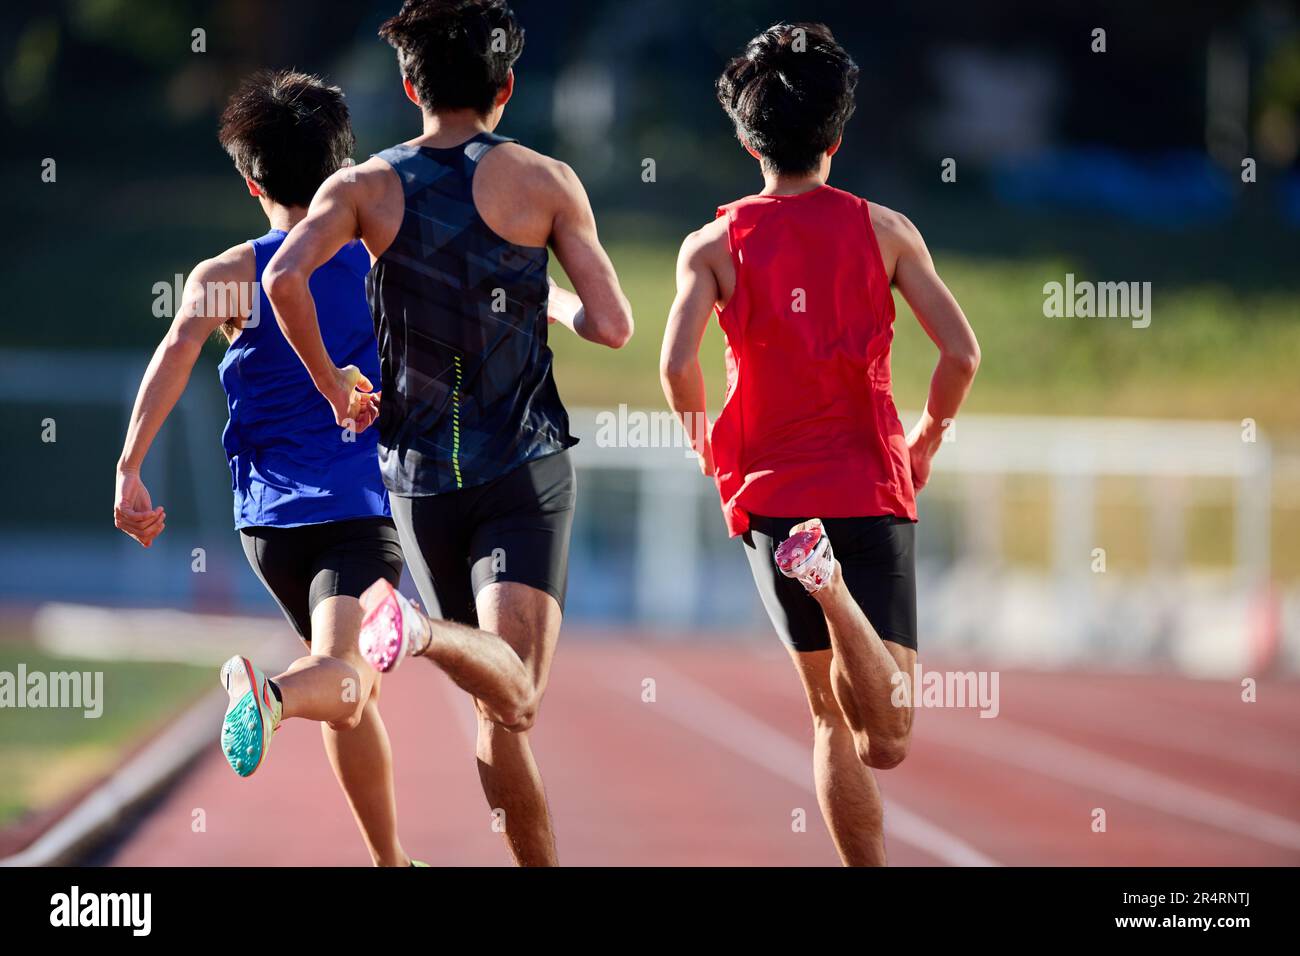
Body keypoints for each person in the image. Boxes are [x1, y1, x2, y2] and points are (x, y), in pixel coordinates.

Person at [263, 0, 633, 867]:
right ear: (506, 88)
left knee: (496, 707)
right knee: (520, 696)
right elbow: (614, 327)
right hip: (522, 468)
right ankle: (421, 632)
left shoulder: (360, 188)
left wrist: (331, 384)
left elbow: (283, 275)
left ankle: (425, 633)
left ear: (408, 86)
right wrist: (551, 297)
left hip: (421, 477)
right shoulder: (546, 181)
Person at [659, 22, 980, 866]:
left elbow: (674, 363)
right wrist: (928, 440)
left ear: (744, 137)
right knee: (891, 736)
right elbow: (962, 353)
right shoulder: (887, 231)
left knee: (831, 719)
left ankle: (825, 585)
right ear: (836, 137)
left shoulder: (712, 244)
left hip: (772, 497)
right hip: (871, 484)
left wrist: (705, 445)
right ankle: (836, 591)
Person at [113, 69, 422, 866]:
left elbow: (172, 357)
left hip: (270, 526)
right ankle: (271, 694)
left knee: (351, 692)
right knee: (340, 677)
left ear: (251, 181)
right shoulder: (384, 257)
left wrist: (129, 467)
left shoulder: (226, 279)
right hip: (357, 508)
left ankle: (391, 861)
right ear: (344, 166)